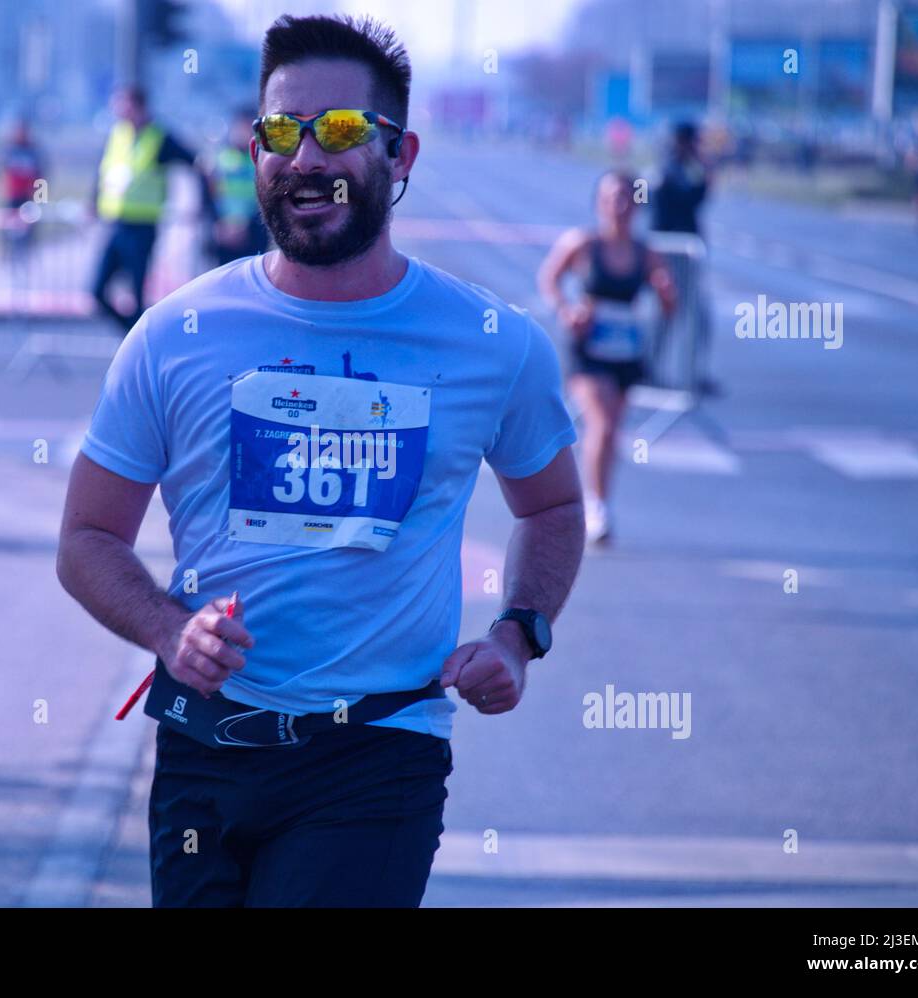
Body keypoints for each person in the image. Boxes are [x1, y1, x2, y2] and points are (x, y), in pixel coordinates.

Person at [58, 14, 586, 908]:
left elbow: (553, 508)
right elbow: (85, 537)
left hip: (377, 759)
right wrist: (165, 630)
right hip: (204, 749)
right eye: (278, 132)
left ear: (400, 153)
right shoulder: (175, 335)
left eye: (338, 131)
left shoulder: (492, 344)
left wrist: (518, 634)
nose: (304, 158)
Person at [537, 171, 675, 547]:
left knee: (612, 431)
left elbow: (670, 304)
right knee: (600, 425)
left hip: (627, 351)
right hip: (589, 349)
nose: (620, 206)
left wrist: (665, 293)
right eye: (612, 198)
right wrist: (566, 310)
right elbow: (549, 279)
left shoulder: (646, 253)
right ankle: (596, 507)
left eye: (628, 199)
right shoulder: (582, 243)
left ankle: (599, 497)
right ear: (599, 201)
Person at [89, 86, 214, 332]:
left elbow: (199, 164)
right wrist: (92, 201)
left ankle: (140, 346)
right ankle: (134, 337)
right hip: (117, 223)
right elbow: (104, 171)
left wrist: (205, 205)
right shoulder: (118, 134)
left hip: (143, 226)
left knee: (137, 295)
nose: (116, 109)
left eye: (122, 103)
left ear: (137, 106)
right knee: (97, 291)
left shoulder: (160, 137)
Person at [650, 120, 715, 395]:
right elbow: (687, 202)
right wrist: (706, 173)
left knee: (690, 317)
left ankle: (689, 374)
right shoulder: (667, 172)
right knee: (670, 315)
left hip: (682, 252)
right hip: (674, 253)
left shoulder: (675, 170)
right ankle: (654, 371)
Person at [204, 107, 270, 265]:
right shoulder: (219, 159)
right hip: (223, 233)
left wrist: (246, 227)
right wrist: (219, 225)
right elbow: (209, 196)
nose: (243, 133)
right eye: (240, 127)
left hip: (252, 234)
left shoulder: (263, 161)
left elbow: (267, 198)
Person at [0, 116, 46, 258]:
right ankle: (9, 256)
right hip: (12, 199)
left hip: (29, 199)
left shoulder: (34, 151)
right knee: (10, 232)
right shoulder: (9, 150)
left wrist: (40, 199)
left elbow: (41, 177)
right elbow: (2, 174)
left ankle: (28, 256)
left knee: (28, 235)